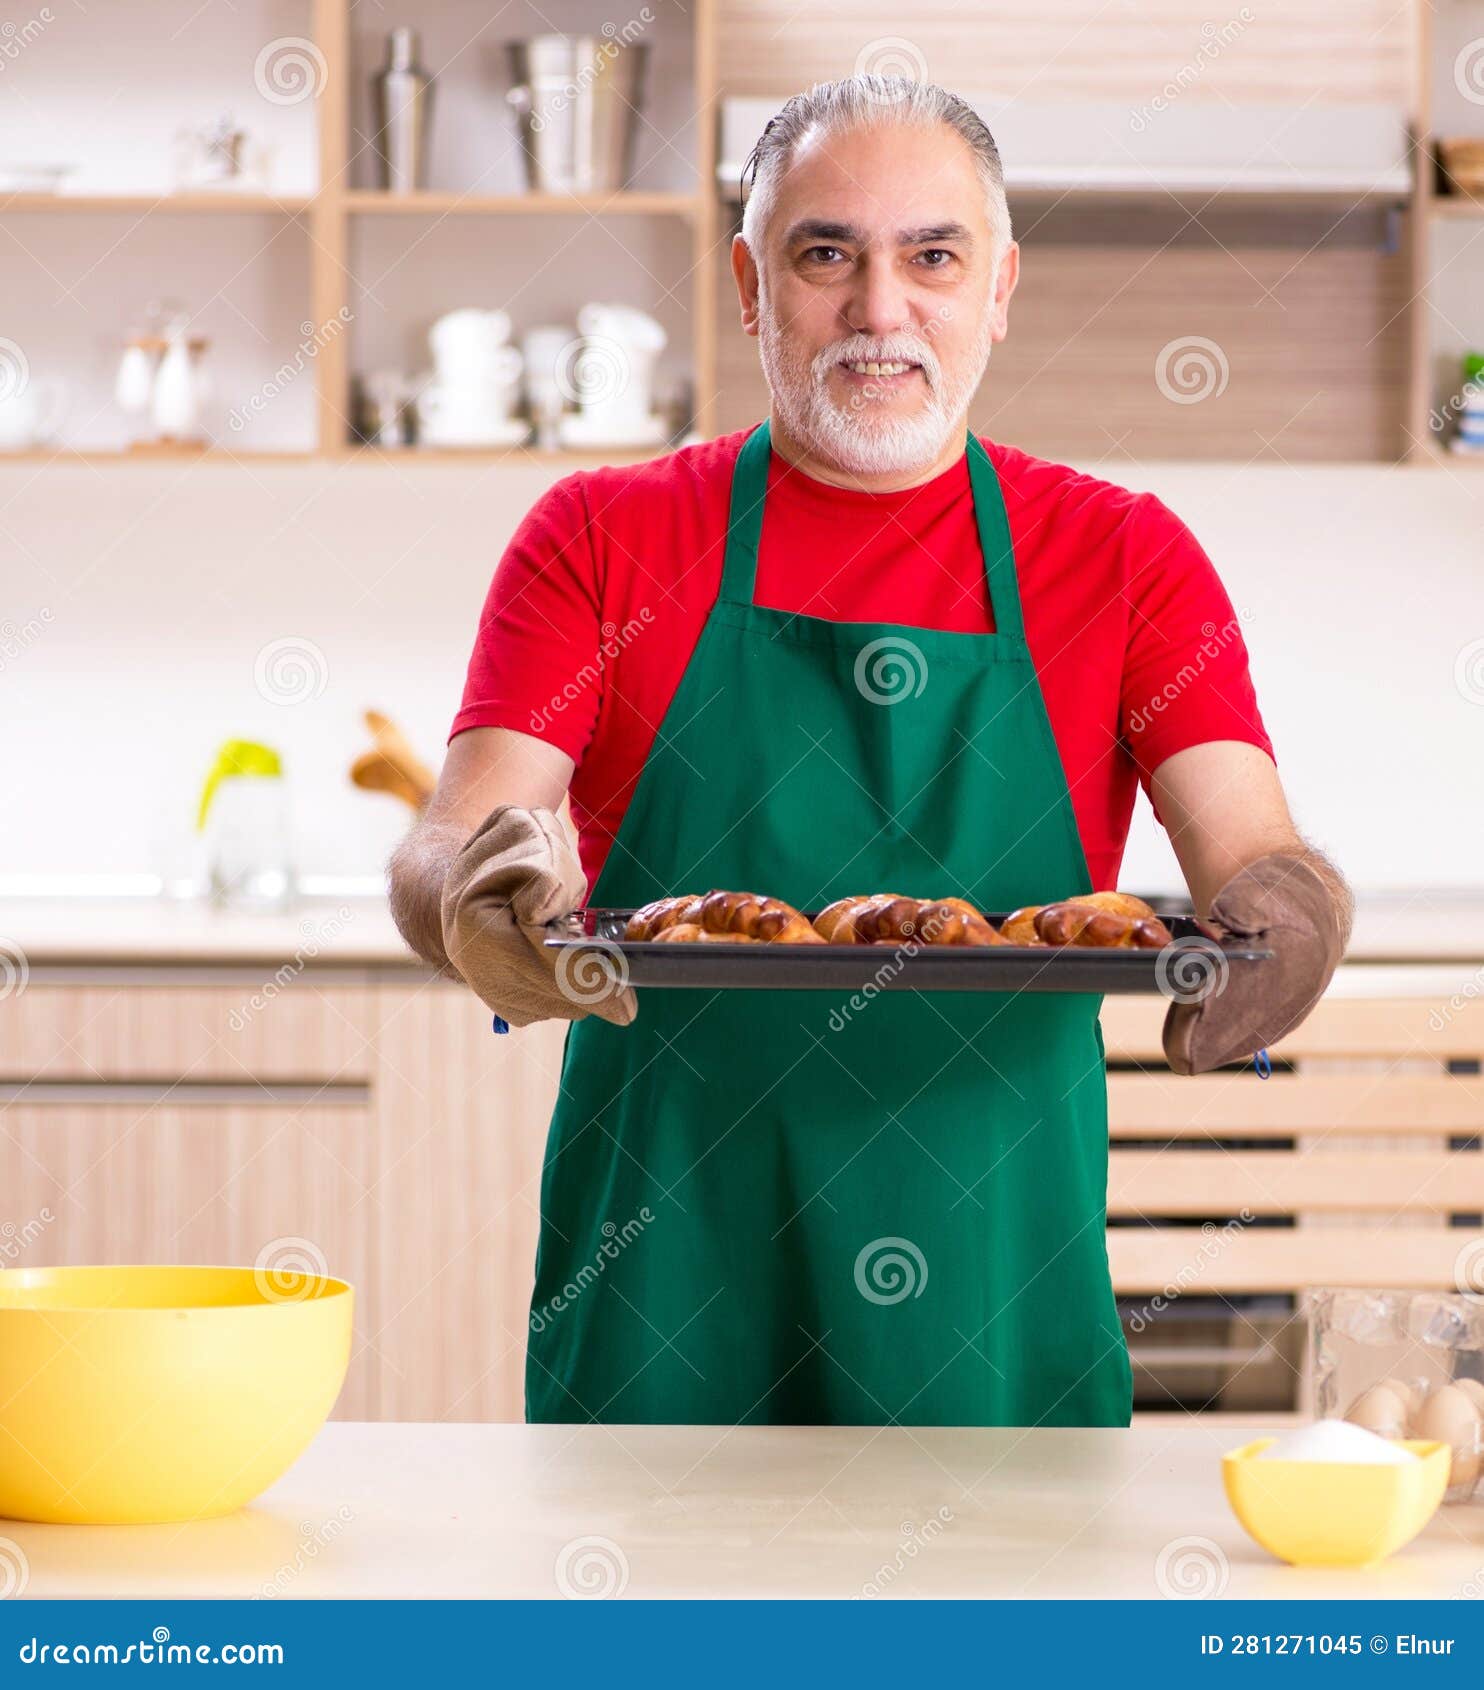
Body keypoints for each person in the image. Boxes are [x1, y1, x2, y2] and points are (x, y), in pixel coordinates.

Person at [389, 76, 1350, 1428]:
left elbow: (1251, 852)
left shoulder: (1123, 559)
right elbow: (453, 836)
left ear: (1000, 285)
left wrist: (1298, 916)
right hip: (665, 1284)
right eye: (825, 252)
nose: (880, 308)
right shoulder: (601, 539)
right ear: (749, 281)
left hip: (995, 1296)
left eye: (933, 257)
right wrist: (474, 903)